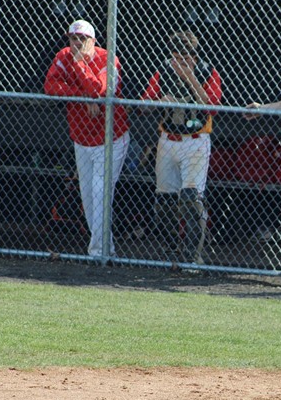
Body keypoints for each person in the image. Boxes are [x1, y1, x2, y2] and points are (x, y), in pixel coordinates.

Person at [44, 19, 130, 257]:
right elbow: (50, 86)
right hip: (81, 138)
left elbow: (98, 90)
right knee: (89, 197)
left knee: (101, 193)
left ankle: (98, 252)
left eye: (83, 39)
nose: (77, 43)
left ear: (93, 40)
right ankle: (105, 250)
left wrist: (80, 64)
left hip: (111, 138)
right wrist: (82, 96)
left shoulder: (107, 59)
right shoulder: (64, 55)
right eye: (74, 38)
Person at [140, 29, 222, 263]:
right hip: (168, 139)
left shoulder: (207, 72)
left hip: (195, 141)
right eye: (176, 58)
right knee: (164, 200)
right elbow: (143, 104)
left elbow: (213, 106)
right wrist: (159, 101)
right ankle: (171, 251)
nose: (180, 63)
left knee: (191, 198)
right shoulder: (164, 70)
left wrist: (191, 78)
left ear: (194, 57)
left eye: (186, 59)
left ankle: (193, 257)